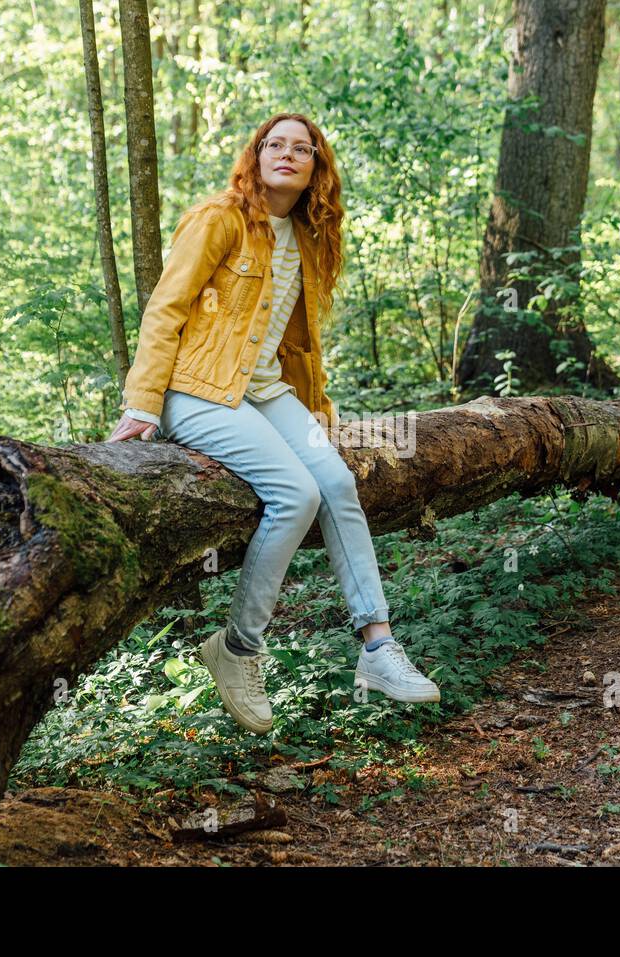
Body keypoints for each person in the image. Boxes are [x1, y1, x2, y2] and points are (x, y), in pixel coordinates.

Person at [105, 112, 439, 734]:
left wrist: (316, 414)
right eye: (275, 144)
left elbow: (299, 345)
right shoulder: (220, 219)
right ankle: (236, 650)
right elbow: (164, 311)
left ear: (317, 167)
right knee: (296, 493)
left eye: (302, 148)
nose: (287, 154)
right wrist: (142, 405)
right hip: (197, 391)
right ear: (256, 155)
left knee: (337, 485)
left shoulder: (309, 238)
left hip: (264, 394)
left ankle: (377, 648)